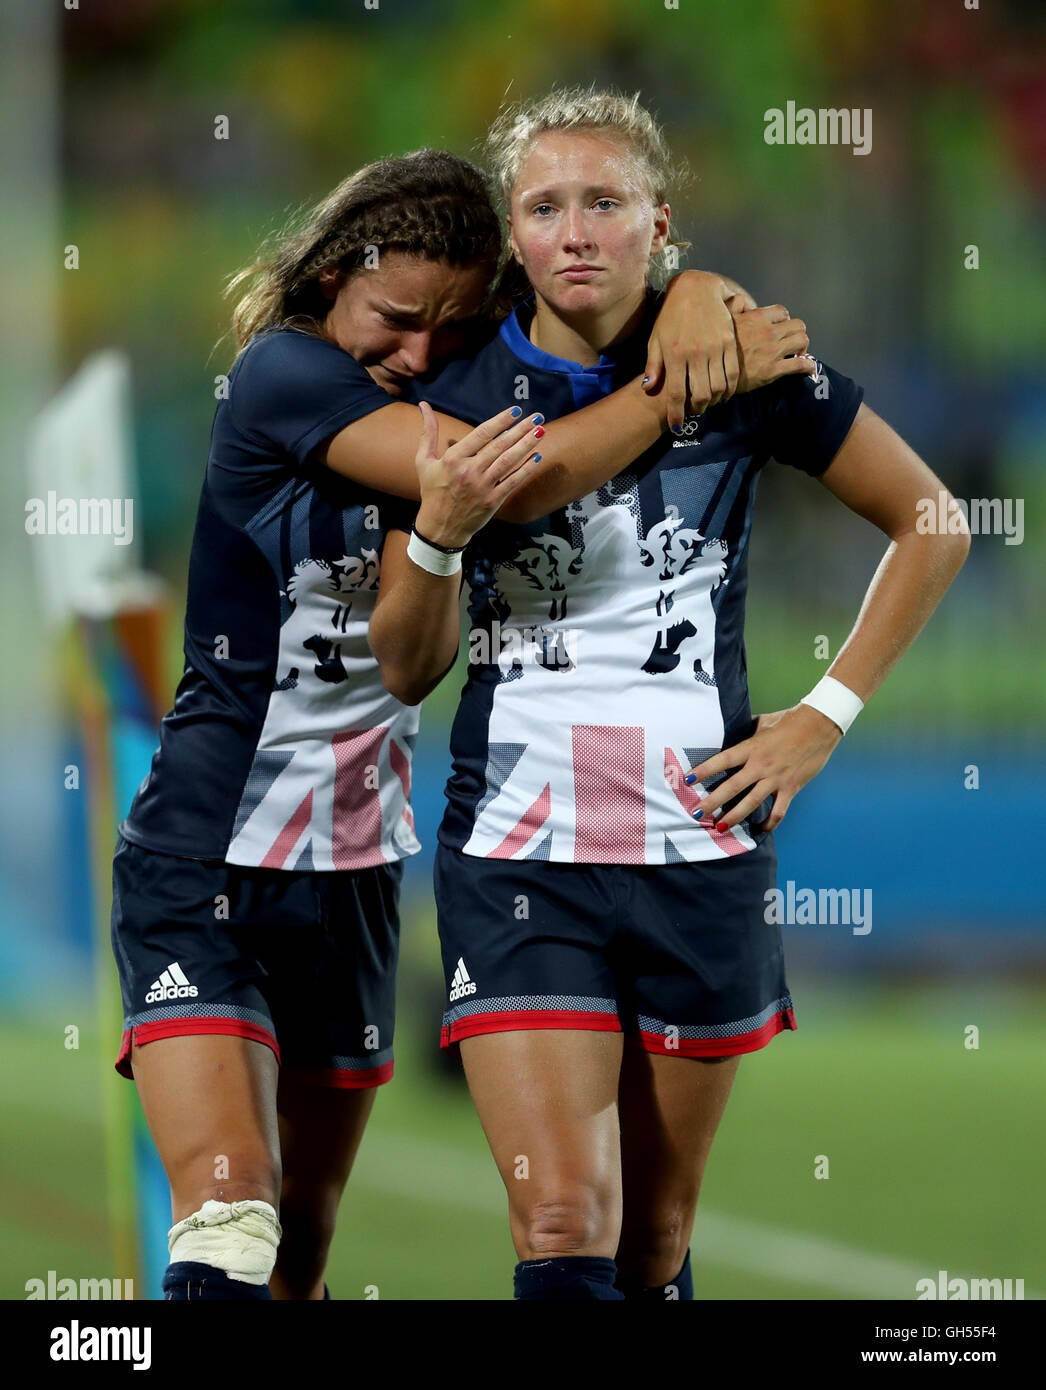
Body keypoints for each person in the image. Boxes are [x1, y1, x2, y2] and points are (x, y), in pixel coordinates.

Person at [109, 146, 781, 1301]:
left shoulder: (467, 370)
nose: (417, 355)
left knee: (298, 1257)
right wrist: (682, 384)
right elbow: (497, 484)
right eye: (394, 318)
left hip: (358, 875)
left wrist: (699, 292)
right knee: (231, 1219)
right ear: (328, 279)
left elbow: (596, 297)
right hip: (205, 858)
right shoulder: (282, 373)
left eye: (450, 328)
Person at [368, 88, 971, 1301]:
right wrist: (435, 542)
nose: (576, 231)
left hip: (698, 838)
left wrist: (822, 714)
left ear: (659, 224)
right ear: (514, 238)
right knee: (557, 1218)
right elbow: (404, 666)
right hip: (517, 846)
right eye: (544, 207)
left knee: (650, 1241)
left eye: (605, 202)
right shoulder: (458, 388)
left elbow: (932, 520)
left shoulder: (742, 362)